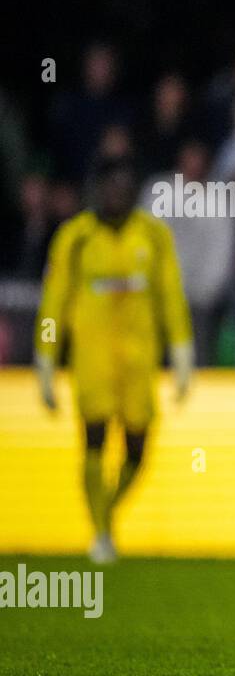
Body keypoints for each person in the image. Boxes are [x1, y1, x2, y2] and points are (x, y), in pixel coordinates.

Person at [35, 157, 194, 563]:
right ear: (98, 190)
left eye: (125, 187)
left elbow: (171, 297)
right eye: (111, 186)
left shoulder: (154, 237)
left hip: (139, 362)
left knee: (138, 449)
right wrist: (46, 362)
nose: (117, 194)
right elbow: (54, 302)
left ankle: (106, 512)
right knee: (93, 442)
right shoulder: (76, 237)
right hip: (93, 360)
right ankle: (102, 533)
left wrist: (181, 354)